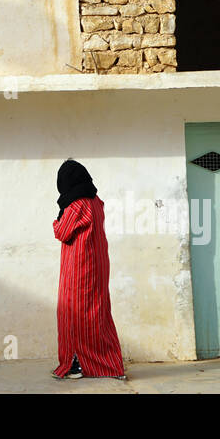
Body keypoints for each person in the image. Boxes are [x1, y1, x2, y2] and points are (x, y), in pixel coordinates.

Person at [52, 159, 126, 379]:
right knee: (98, 315)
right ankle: (109, 363)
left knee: (73, 314)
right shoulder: (96, 201)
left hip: (79, 268)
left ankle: (77, 364)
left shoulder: (76, 205)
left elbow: (62, 232)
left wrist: (56, 221)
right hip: (97, 265)